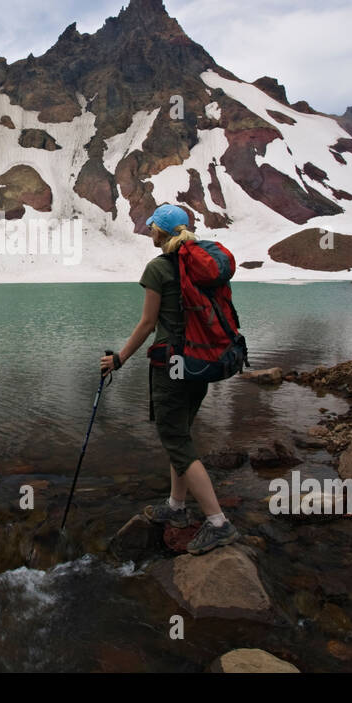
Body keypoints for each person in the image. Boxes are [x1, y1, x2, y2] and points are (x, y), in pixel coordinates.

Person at [100, 203, 239, 554]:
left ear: (162, 231)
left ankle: (218, 523)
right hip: (201, 363)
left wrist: (119, 358)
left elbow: (148, 324)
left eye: (152, 227)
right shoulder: (197, 266)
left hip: (171, 367)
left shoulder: (159, 268)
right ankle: (176, 508)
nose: (149, 231)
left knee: (175, 439)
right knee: (182, 436)